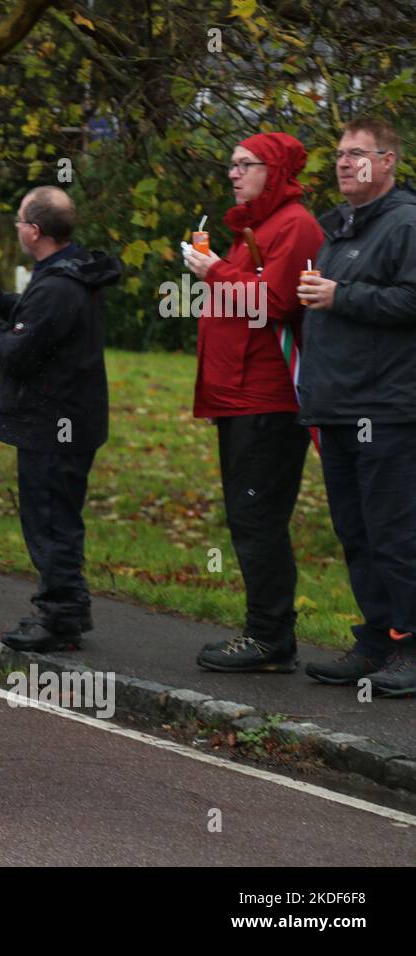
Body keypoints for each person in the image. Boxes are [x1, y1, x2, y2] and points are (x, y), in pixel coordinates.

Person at [184, 133, 324, 673]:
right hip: (240, 397)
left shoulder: (294, 225)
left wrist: (214, 271)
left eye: (246, 164)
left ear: (275, 170)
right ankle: (268, 633)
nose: (233, 173)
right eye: (232, 163)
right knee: (249, 516)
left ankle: (269, 637)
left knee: (256, 516)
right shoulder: (254, 228)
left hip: (267, 400)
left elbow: (278, 301)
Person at [0, 186, 121, 652]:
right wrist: (2, 302)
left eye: (19, 221)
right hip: (71, 419)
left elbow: (18, 353)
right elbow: (46, 323)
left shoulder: (57, 284)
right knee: (59, 518)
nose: (17, 228)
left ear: (34, 230)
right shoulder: (70, 273)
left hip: (54, 423)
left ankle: (57, 616)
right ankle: (68, 609)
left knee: (49, 521)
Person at [296, 117, 416, 697]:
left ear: (388, 161)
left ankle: (410, 645)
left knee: (395, 531)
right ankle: (374, 642)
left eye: (358, 154)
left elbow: (411, 300)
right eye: (339, 153)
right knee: (357, 531)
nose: (344, 163)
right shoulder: (338, 229)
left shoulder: (407, 223)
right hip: (339, 404)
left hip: (387, 406)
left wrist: (343, 296)